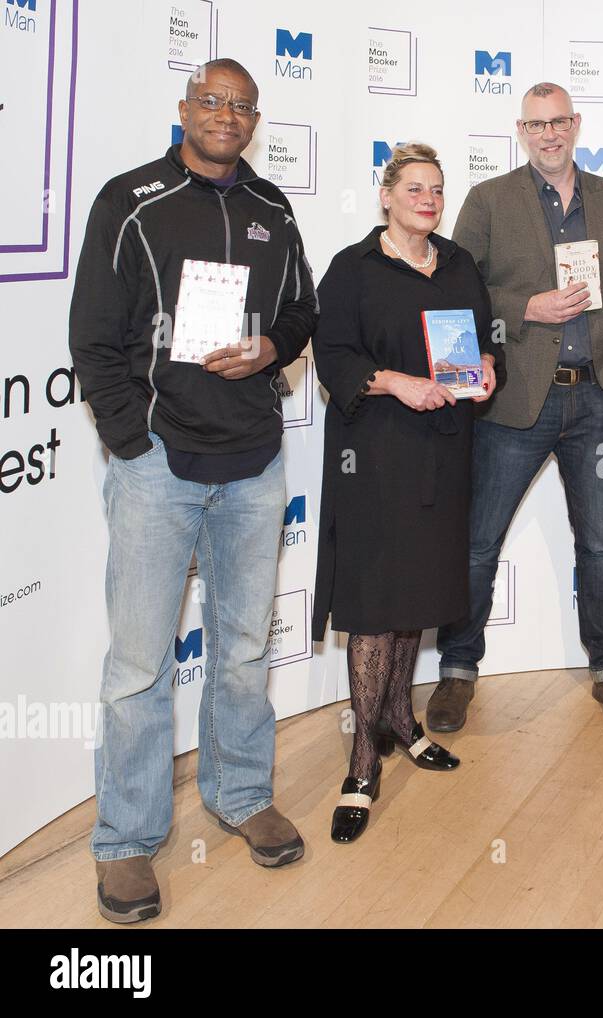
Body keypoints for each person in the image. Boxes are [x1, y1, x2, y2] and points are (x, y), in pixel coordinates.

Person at [68, 59, 318, 922]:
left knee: (244, 649)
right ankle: (127, 842)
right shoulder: (129, 200)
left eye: (242, 105)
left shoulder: (273, 210)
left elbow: (301, 313)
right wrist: (133, 443)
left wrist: (270, 350)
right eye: (211, 100)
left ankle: (242, 794)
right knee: (139, 667)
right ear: (184, 110)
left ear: (255, 121)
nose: (226, 115)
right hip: (160, 469)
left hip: (254, 464)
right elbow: (94, 337)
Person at [429, 82, 603, 732]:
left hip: (596, 401)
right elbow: (455, 291)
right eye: (536, 124)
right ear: (521, 131)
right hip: (514, 402)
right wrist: (525, 307)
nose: (549, 134)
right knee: (477, 545)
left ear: (576, 124)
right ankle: (457, 670)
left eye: (558, 122)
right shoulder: (488, 200)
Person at [311, 144, 498, 842]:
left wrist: (486, 366)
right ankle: (363, 762)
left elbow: (485, 343)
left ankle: (401, 719)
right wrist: (397, 382)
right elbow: (334, 357)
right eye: (413, 187)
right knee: (374, 598)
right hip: (376, 452)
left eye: (437, 189)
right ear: (386, 195)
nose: (427, 198)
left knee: (418, 591)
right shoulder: (353, 269)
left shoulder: (458, 264)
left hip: (444, 450)